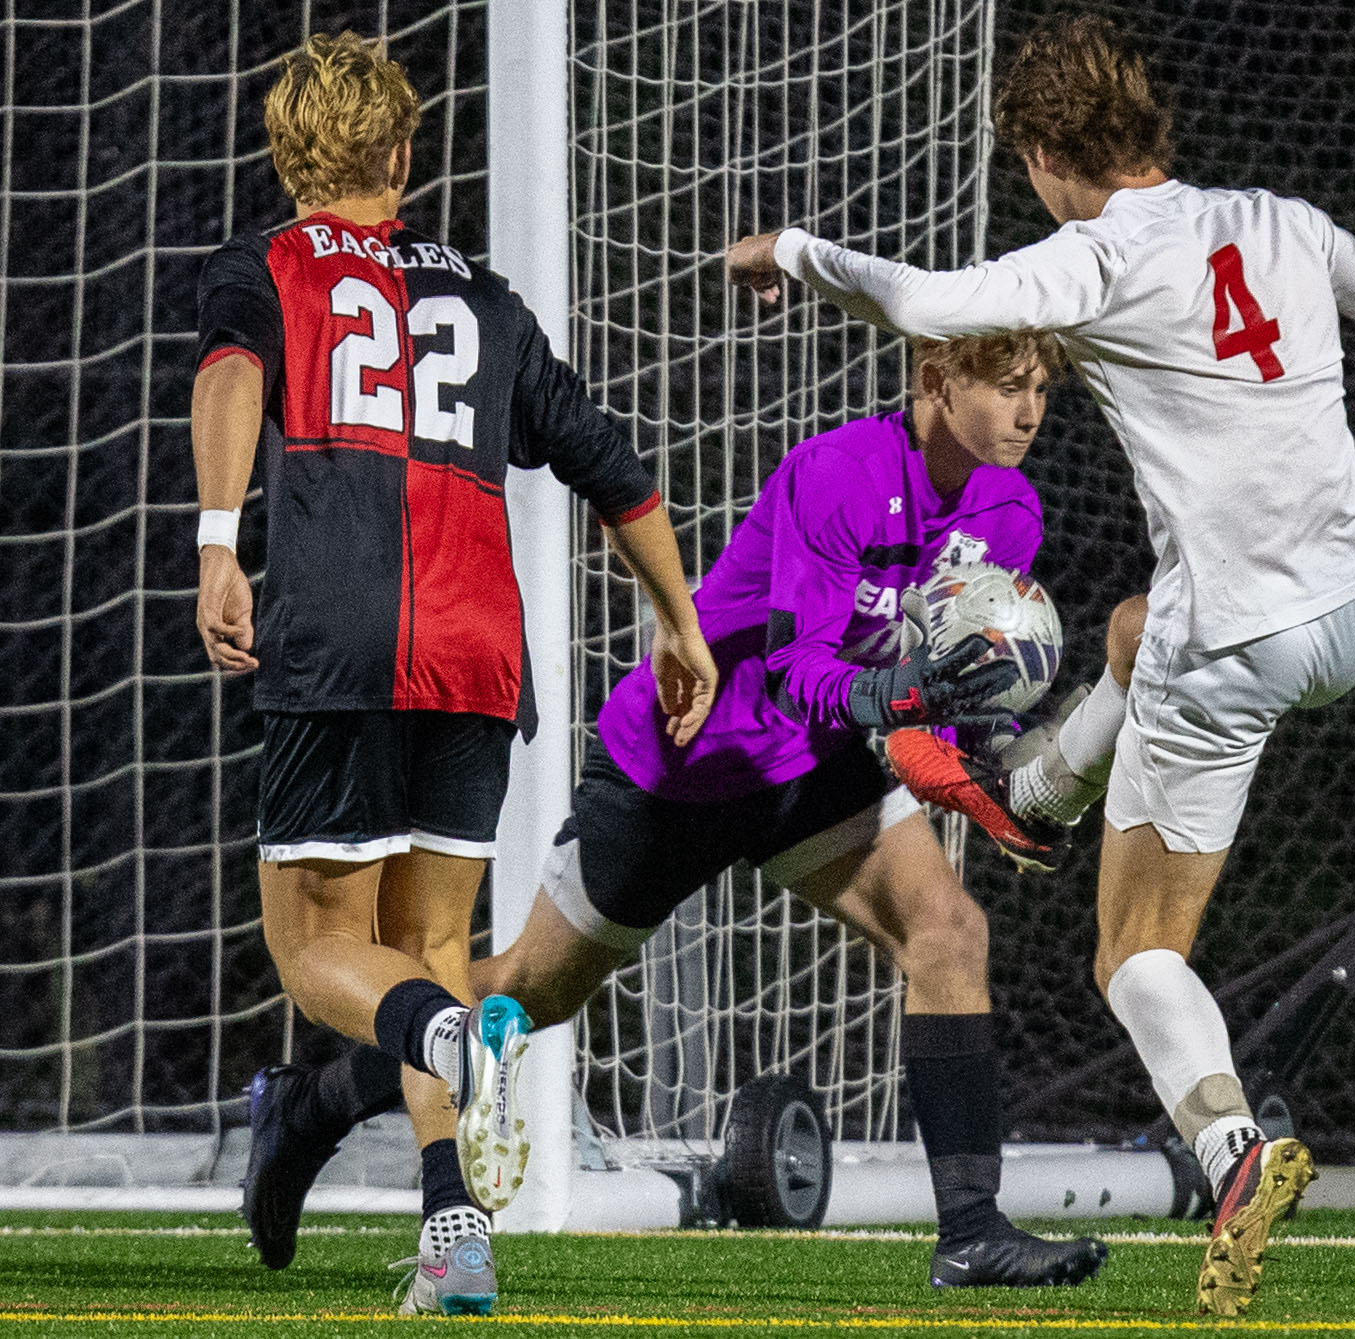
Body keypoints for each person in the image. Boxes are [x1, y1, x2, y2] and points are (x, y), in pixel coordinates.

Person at [723, 12, 1355, 1316]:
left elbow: (923, 302)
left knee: (1134, 952)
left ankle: (1230, 1147)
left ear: (1044, 150)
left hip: (1236, 649)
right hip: (1350, 611)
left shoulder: (1092, 257)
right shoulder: (1284, 221)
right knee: (1133, 632)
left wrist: (791, 248)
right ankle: (1042, 790)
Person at [239, 331, 1110, 1292]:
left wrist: (983, 786)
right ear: (935, 383)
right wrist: (906, 697)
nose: (1029, 413)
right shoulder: (838, 473)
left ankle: (972, 1231)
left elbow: (931, 713)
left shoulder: (1008, 509)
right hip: (680, 764)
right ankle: (311, 1104)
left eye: (1041, 391)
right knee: (530, 991)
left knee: (948, 931)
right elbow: (800, 668)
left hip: (810, 767)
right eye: (1007, 388)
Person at [192, 32, 717, 1316]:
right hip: (483, 649)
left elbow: (232, 380)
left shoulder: (265, 266)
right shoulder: (484, 300)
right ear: (405, 151)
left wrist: (217, 542)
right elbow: (614, 465)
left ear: (286, 154)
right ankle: (456, 1236)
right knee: (432, 944)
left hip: (341, 633)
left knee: (317, 943)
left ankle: (435, 1040)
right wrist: (681, 620)